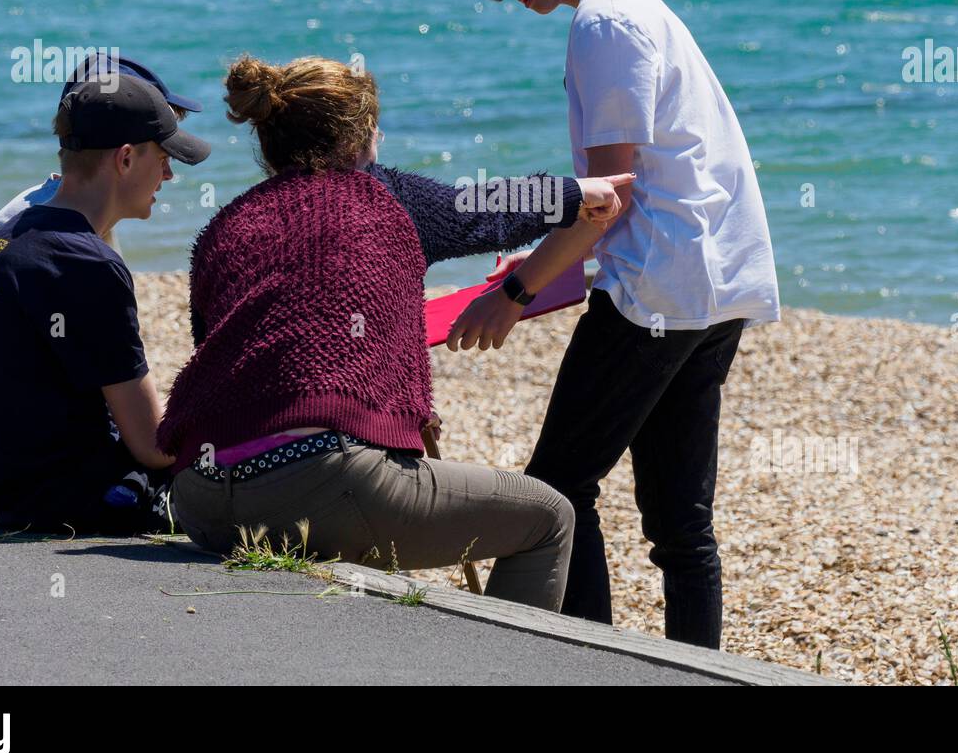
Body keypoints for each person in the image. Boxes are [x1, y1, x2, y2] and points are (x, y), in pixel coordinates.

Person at [429, 0, 782, 647]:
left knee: (557, 488)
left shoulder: (606, 23)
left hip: (657, 289)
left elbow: (608, 198)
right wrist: (539, 270)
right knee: (681, 523)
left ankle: (596, 664)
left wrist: (513, 295)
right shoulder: (629, 3)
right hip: (710, 286)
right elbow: (633, 192)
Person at [159, 54, 630, 612]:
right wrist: (583, 193)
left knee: (348, 484)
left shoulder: (224, 227)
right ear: (363, 138)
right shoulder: (383, 196)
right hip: (319, 487)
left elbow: (230, 360)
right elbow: (484, 209)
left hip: (199, 498)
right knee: (548, 517)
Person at [0, 53, 203, 504]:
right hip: (64, 494)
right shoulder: (88, 264)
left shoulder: (4, 237)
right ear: (125, 159)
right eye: (164, 158)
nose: (169, 174)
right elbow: (153, 447)